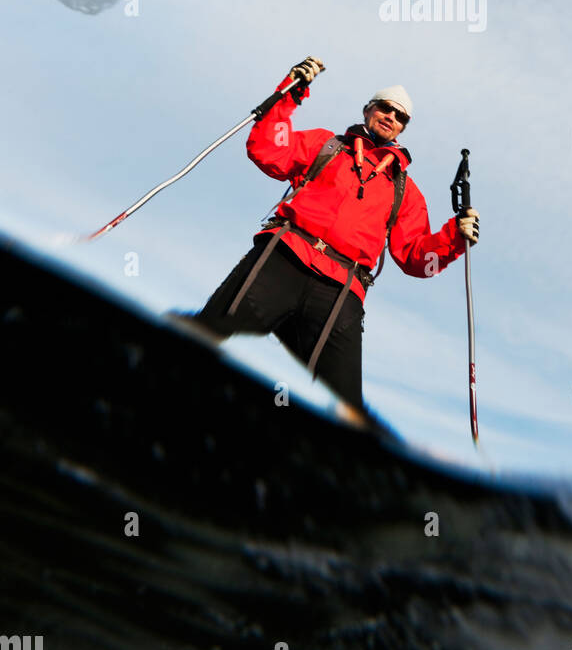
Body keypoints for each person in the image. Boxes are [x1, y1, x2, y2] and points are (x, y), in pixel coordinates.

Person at [186, 58, 480, 413]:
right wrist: (289, 94)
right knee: (204, 333)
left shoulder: (405, 190)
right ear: (368, 109)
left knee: (347, 406)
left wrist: (454, 238)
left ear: (403, 127)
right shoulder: (327, 145)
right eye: (384, 107)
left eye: (400, 115)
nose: (390, 116)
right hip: (284, 257)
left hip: (341, 291)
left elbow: (417, 258)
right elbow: (268, 150)